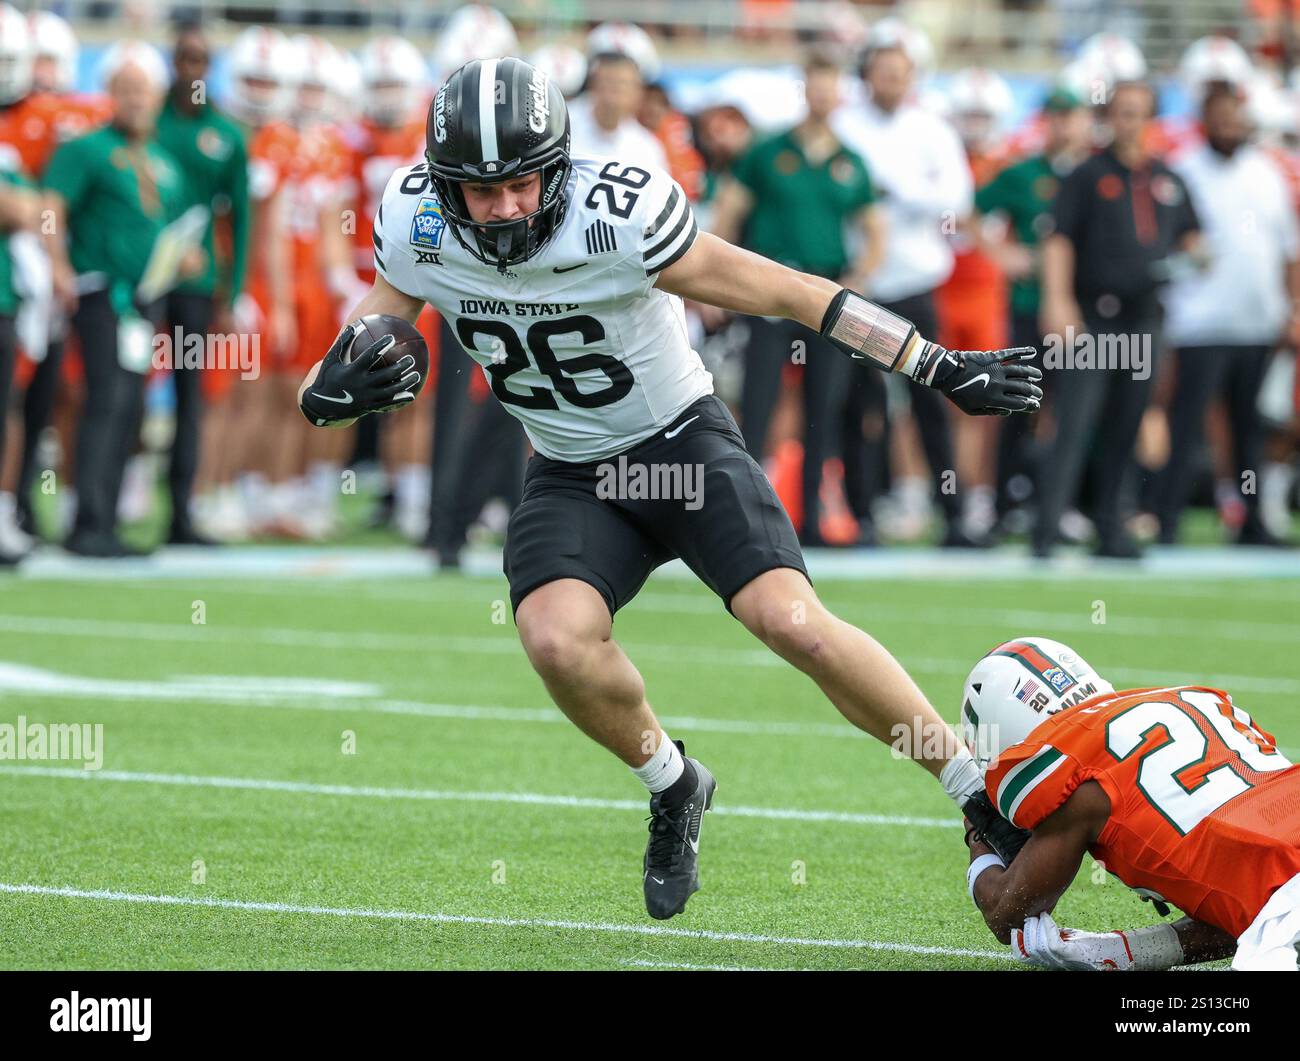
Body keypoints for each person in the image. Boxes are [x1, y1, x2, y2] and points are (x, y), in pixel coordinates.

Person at [297, 58, 1042, 921]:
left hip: (681, 443)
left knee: (792, 621)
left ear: (560, 164)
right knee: (554, 640)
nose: (503, 207)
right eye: (481, 190)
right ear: (444, 183)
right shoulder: (415, 217)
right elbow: (377, 319)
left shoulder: (617, 215)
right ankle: (674, 781)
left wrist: (933, 362)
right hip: (571, 468)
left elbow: (794, 292)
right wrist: (323, 388)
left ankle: (972, 789)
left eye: (522, 183)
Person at [958, 636, 1300, 971]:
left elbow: (1008, 915)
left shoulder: (1077, 774)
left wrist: (976, 833)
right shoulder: (1191, 700)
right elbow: (1249, 909)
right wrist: (1123, 950)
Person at [709, 50, 884, 545]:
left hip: (825, 295)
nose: (824, 96)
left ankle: (811, 520)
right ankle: (743, 518)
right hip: (769, 289)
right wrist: (716, 284)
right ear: (805, 90)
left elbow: (875, 231)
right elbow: (728, 216)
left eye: (832, 87)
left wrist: (859, 278)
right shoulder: (767, 153)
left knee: (824, 408)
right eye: (817, 85)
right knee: (757, 403)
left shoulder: (850, 161)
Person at [1038, 80, 1202, 558]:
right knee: (1074, 422)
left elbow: (1191, 235)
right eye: (1122, 112)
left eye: (1139, 112)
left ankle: (1112, 524)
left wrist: (1197, 255)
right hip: (1096, 317)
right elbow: (1058, 238)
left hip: (1145, 318)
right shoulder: (1088, 174)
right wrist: (1057, 300)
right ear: (1110, 118)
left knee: (1128, 423)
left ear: (1153, 119)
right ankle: (1047, 528)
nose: (1130, 122)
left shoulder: (1166, 178)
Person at [43, 42, 192, 557]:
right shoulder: (84, 150)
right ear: (109, 94)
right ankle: (87, 523)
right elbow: (52, 208)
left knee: (129, 407)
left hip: (145, 298)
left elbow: (166, 227)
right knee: (105, 403)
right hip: (103, 292)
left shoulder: (162, 160)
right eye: (125, 90)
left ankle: (106, 518)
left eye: (143, 91)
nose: (135, 101)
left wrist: (184, 258)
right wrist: (59, 266)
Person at [832, 40, 980, 547]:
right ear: (867, 75)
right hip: (862, 284)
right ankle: (863, 512)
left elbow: (958, 199)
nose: (891, 82)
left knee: (930, 397)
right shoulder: (844, 126)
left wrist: (899, 192)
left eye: (900, 73)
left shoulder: (931, 129)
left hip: (915, 279)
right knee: (861, 402)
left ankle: (954, 513)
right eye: (882, 72)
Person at [1158, 84, 1299, 547]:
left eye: (1235, 120)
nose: (1229, 129)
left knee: (1249, 430)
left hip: (1256, 321)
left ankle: (1250, 519)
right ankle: (1169, 517)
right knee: (1188, 422)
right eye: (1221, 120)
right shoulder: (1183, 171)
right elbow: (1167, 242)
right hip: (1199, 321)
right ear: (1204, 121)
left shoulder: (1266, 172)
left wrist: (1291, 307)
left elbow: (1288, 250)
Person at [972, 86, 1093, 531]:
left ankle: (1061, 503)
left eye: (1072, 115)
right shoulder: (1023, 173)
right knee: (1018, 404)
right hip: (1029, 305)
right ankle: (1004, 504)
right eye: (1057, 116)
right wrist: (1001, 254)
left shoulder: (1096, 173)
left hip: (1084, 310)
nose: (1064, 125)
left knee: (1075, 411)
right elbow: (969, 212)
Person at [153, 23, 249, 545]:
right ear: (174, 62)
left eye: (201, 59)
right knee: (115, 391)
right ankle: (98, 506)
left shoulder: (228, 135)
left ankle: (181, 514)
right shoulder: (152, 121)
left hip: (195, 282)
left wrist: (231, 291)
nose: (192, 68)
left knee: (191, 397)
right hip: (145, 277)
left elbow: (241, 218)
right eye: (184, 57)